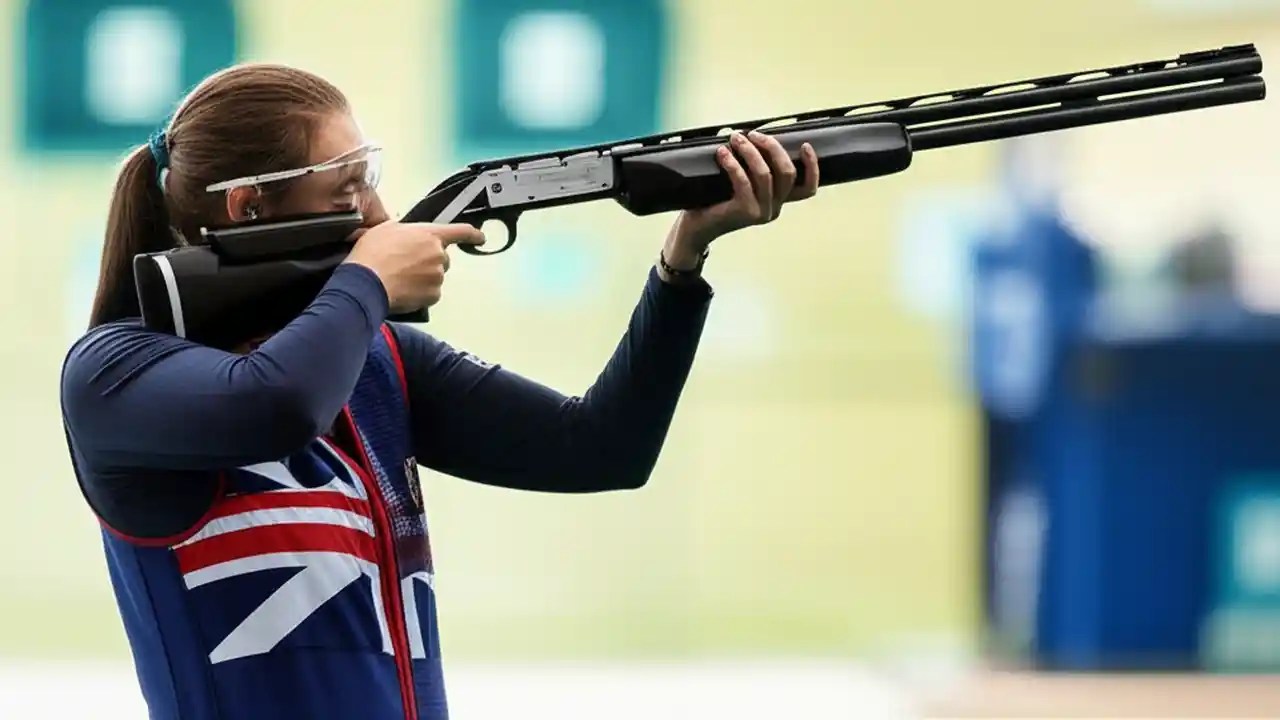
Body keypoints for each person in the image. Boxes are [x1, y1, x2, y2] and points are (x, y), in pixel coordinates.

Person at [59, 63, 821, 720]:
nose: (381, 219)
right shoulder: (113, 374)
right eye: (347, 190)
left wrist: (684, 259)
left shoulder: (378, 360)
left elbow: (604, 448)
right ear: (248, 207)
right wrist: (365, 279)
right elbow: (278, 405)